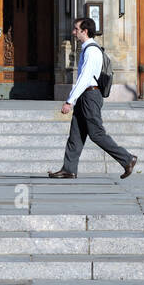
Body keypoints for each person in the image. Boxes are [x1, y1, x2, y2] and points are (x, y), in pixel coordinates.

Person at [49, 17, 138, 180]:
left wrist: (70, 100)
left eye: (76, 29)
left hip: (90, 95)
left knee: (96, 133)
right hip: (86, 95)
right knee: (76, 133)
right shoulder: (88, 49)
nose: (73, 32)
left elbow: (84, 78)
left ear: (85, 31)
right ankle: (68, 169)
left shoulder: (91, 51)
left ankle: (127, 159)